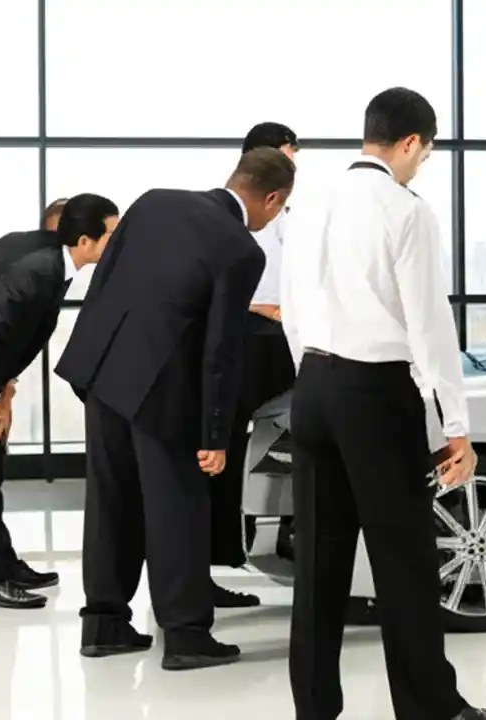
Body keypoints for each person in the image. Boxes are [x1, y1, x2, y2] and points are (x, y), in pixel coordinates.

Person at [280, 87, 486, 720]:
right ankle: (431, 708)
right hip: (375, 393)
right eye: (425, 153)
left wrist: (311, 370)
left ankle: (315, 708)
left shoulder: (312, 202)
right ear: (411, 142)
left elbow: (293, 309)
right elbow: (429, 326)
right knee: (404, 558)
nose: (421, 164)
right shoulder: (405, 209)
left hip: (314, 388)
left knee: (319, 564)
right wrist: (456, 426)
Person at [55, 148, 293, 670]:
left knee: (111, 502)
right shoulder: (241, 251)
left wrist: (90, 366)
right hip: (163, 389)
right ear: (271, 199)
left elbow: (105, 283)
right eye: (278, 210)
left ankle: (105, 625)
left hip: (103, 373)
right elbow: (219, 351)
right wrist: (214, 436)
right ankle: (186, 636)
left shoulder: (153, 203)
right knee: (177, 507)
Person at [0, 194, 118, 610]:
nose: (118, 242)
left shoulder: (49, 261)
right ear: (85, 239)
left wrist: (7, 390)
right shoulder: (38, 269)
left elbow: (14, 333)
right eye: (112, 234)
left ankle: (0, 561)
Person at [206, 122, 301, 609]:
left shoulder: (284, 211)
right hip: (249, 336)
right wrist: (267, 311)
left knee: (265, 441)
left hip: (280, 338)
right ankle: (211, 555)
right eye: (286, 152)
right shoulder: (231, 217)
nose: (294, 160)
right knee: (218, 444)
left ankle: (240, 543)